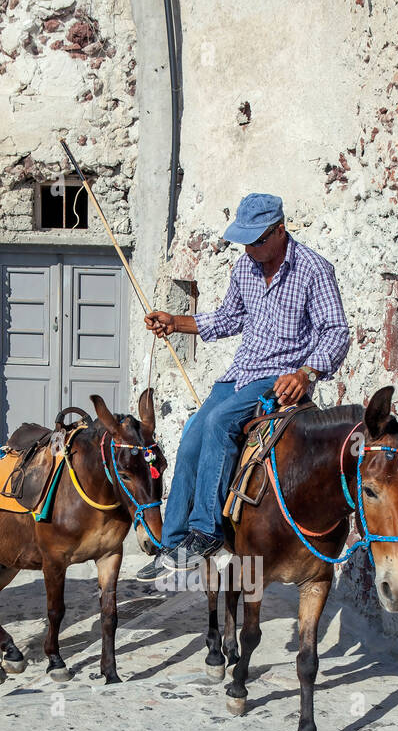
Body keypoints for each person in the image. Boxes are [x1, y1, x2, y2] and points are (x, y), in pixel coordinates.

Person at [141, 193, 350, 577]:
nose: (250, 249)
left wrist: (307, 373)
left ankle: (205, 532)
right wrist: (174, 321)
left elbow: (336, 332)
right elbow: (227, 319)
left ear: (280, 230)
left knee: (220, 423)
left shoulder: (314, 270)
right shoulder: (245, 269)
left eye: (257, 240)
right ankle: (171, 543)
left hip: (280, 377)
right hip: (239, 374)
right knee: (191, 434)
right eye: (245, 241)